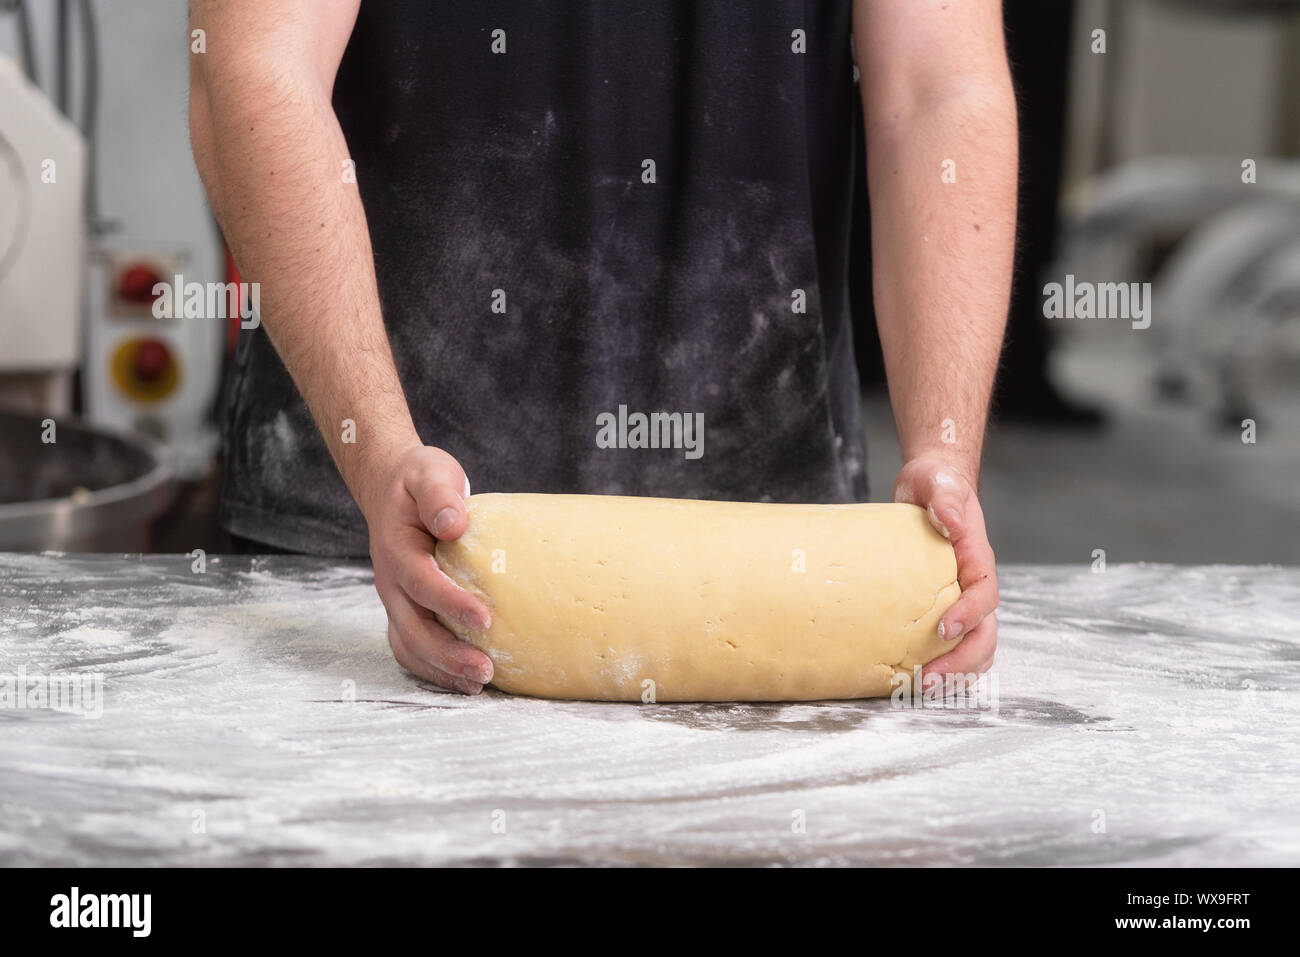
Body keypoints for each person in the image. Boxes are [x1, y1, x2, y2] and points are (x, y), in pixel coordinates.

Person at [189, 0, 1013, 695]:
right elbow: (258, 65)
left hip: (782, 581)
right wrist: (378, 458)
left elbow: (940, 91)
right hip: (377, 559)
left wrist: (945, 447)